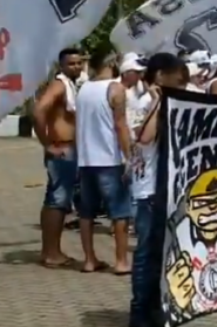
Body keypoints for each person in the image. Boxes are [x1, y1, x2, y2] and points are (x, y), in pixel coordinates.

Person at [130, 53, 186, 327]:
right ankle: (140, 313)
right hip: (147, 192)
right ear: (161, 76)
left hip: (160, 191)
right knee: (146, 256)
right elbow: (145, 137)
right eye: (177, 77)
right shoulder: (146, 103)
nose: (181, 83)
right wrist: (157, 102)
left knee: (157, 256)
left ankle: (154, 309)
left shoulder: (160, 103)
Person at [75, 52, 134, 274]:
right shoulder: (115, 89)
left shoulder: (84, 89)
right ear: (111, 64)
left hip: (86, 158)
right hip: (109, 158)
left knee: (87, 212)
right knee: (120, 212)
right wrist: (129, 156)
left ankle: (89, 259)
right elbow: (120, 125)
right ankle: (121, 261)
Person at [33, 47, 85, 269]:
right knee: (58, 201)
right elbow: (38, 110)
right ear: (61, 66)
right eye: (71, 63)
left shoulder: (71, 85)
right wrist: (46, 143)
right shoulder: (59, 84)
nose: (76, 67)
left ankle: (51, 250)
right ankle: (51, 253)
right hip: (62, 149)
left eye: (78, 63)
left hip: (69, 149)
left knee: (57, 200)